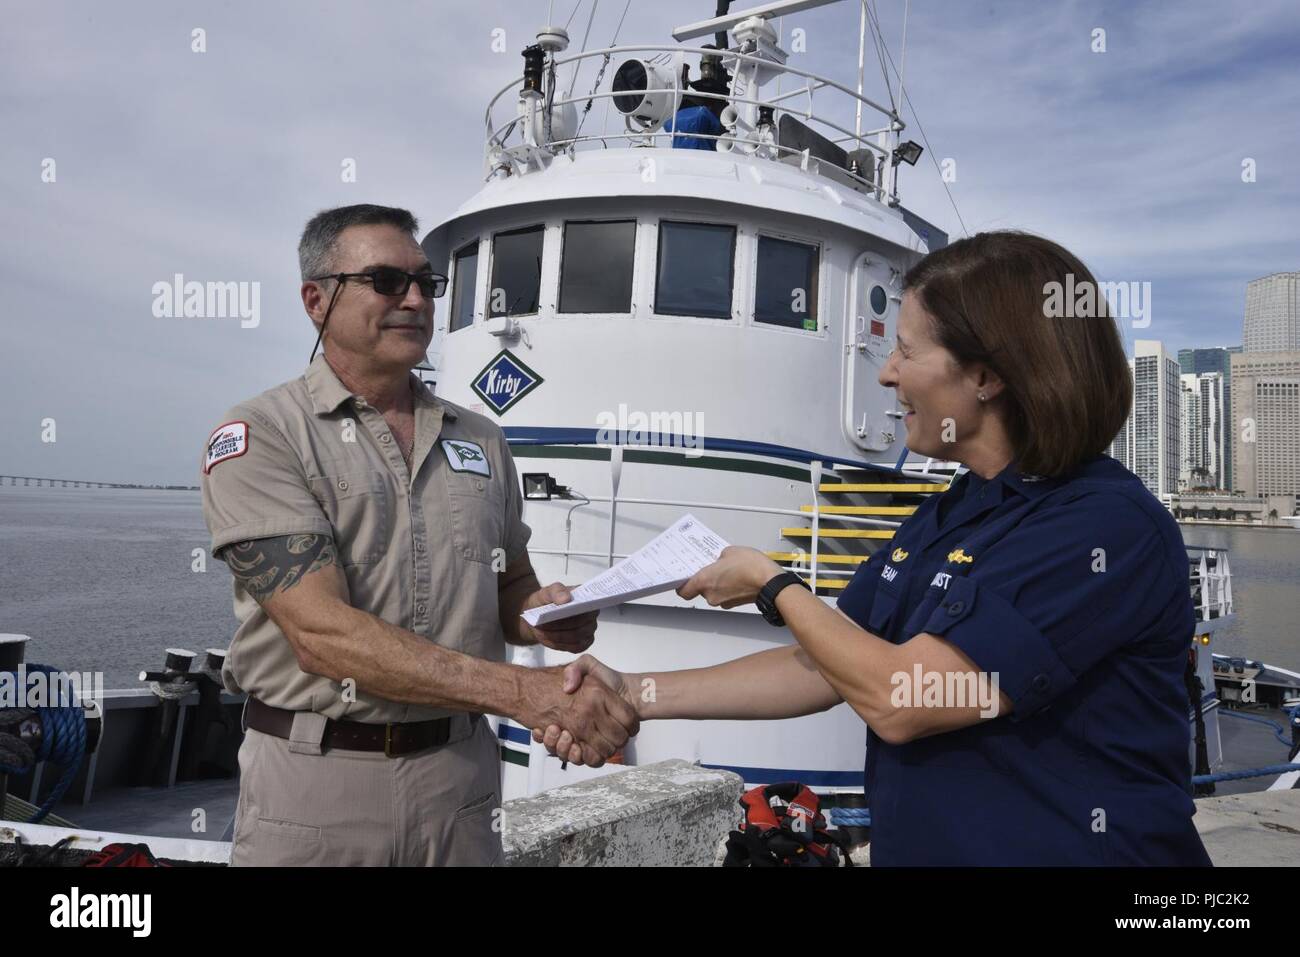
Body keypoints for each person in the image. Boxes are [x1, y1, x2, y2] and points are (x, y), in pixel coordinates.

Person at [535, 231, 1214, 866]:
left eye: (908, 350)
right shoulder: (951, 511)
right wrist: (634, 691)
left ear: (986, 375)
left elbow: (902, 698)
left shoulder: (1101, 527)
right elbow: (824, 665)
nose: (887, 374)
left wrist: (775, 584)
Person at [201, 204, 636, 866]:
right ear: (317, 300)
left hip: (460, 783)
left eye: (426, 283)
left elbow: (507, 581)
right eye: (385, 280)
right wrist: (524, 692)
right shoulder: (263, 434)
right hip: (318, 785)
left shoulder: (482, 438)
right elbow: (321, 634)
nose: (414, 299)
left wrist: (543, 614)